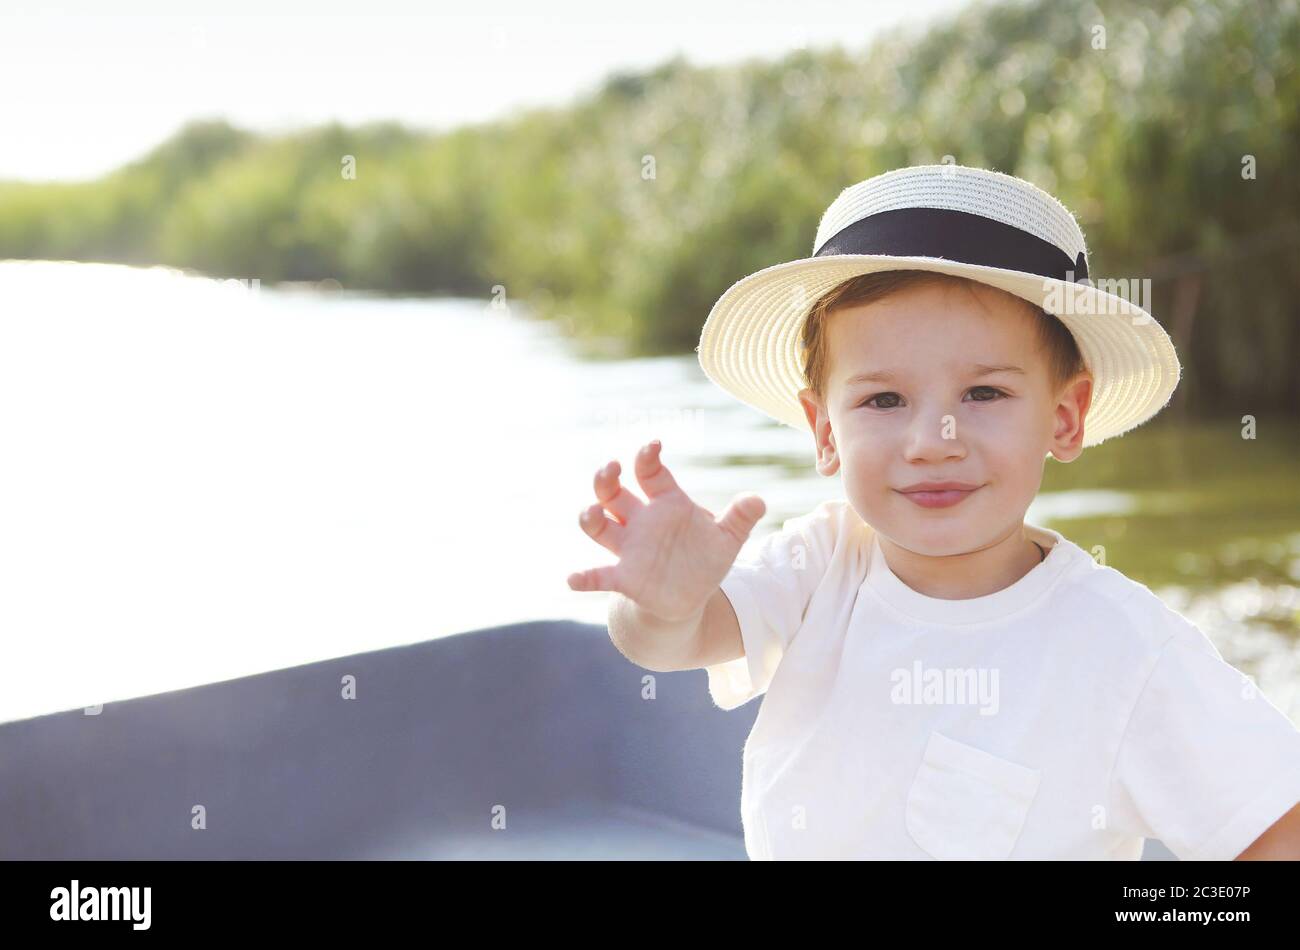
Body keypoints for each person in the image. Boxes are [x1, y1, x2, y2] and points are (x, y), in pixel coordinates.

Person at [567, 163, 1300, 860]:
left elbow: (1277, 828)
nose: (933, 442)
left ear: (1066, 416)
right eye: (883, 400)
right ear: (825, 431)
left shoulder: (1128, 649)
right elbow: (674, 641)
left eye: (984, 395)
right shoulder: (820, 565)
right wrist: (665, 604)